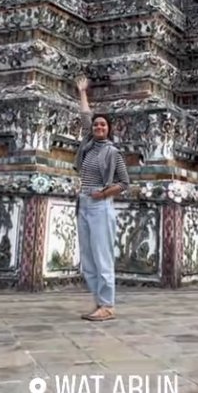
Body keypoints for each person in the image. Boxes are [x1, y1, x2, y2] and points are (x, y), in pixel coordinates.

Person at [74, 76, 129, 322]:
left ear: (109, 130)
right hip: (84, 202)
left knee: (102, 255)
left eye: (102, 126)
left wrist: (104, 193)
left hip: (100, 204)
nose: (98, 128)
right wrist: (82, 92)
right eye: (96, 125)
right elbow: (86, 116)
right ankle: (99, 302)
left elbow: (124, 183)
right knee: (87, 259)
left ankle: (108, 304)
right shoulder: (87, 145)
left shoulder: (112, 152)